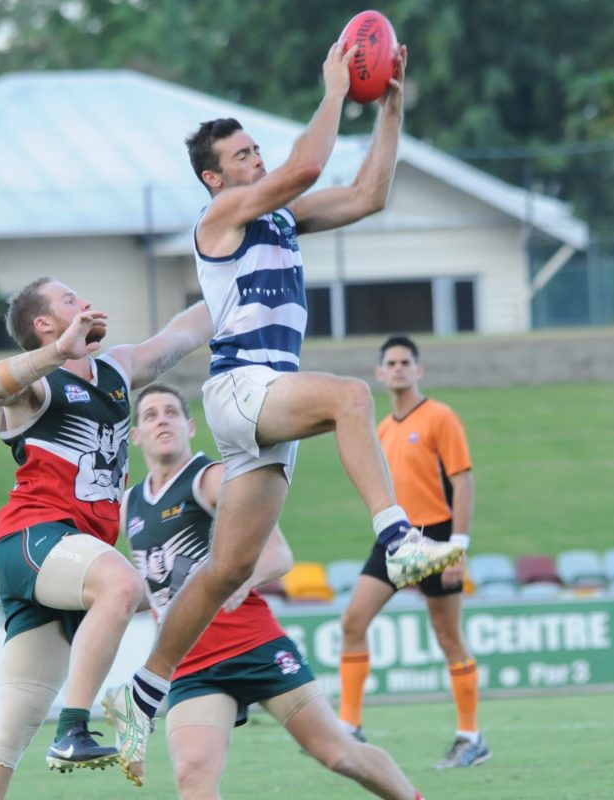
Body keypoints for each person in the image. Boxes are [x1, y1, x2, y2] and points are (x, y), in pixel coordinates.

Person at [102, 39, 465, 783]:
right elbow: (306, 165)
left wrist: (389, 108)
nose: (255, 161)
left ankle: (142, 689)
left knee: (227, 565)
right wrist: (335, 88)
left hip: (265, 406)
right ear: (214, 178)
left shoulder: (284, 219)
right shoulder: (224, 216)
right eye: (242, 155)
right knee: (352, 396)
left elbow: (368, 195)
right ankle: (396, 536)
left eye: (255, 149)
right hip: (242, 387)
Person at [0, 277, 212, 800]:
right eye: (70, 299)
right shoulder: (39, 383)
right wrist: (57, 353)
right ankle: (74, 728)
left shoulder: (115, 369)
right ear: (45, 325)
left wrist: (242, 272)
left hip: (74, 557)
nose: (86, 303)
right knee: (122, 586)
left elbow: (185, 334)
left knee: (7, 733)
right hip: (34, 539)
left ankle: (112, 705)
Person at [110, 383, 426, 800]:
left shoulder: (211, 480)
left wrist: (240, 579)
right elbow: (148, 586)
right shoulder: (128, 505)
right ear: (136, 436)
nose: (161, 420)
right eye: (150, 416)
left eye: (170, 412)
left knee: (338, 755)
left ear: (189, 426)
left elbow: (278, 554)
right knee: (192, 777)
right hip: (189, 663)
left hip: (251, 646)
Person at [339, 335, 491, 768]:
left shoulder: (441, 417)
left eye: (407, 361)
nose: (400, 368)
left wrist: (458, 547)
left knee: (448, 637)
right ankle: (350, 727)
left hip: (439, 538)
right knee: (353, 621)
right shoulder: (382, 429)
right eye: (392, 362)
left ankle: (470, 736)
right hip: (396, 539)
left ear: (419, 370)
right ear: (380, 373)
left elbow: (462, 481)